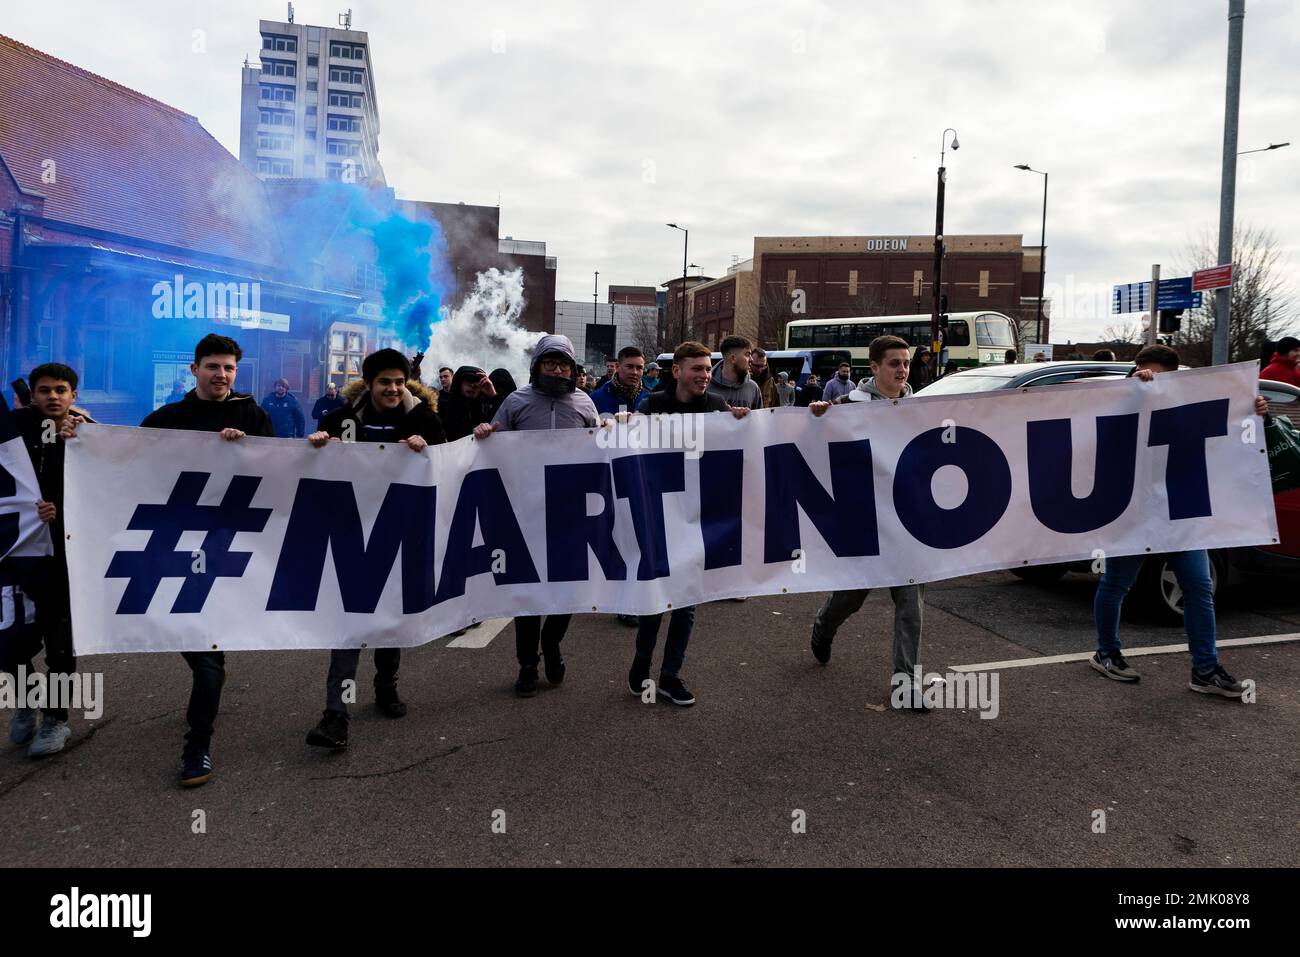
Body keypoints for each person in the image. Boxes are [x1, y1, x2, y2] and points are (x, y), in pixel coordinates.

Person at [1090, 344, 1267, 698]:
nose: (1152, 382)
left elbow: (1226, 431)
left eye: (1160, 377)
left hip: (1181, 510)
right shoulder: (1120, 398)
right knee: (1116, 585)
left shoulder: (1187, 403)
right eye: (1145, 373)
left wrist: (1254, 410)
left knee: (1199, 589)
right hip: (1135, 511)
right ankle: (1106, 651)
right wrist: (1132, 390)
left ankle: (1205, 669)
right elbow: (1092, 425)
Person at [138, 334, 274, 787]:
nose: (221, 375)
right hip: (173, 548)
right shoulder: (165, 420)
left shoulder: (252, 415)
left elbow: (278, 471)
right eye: (213, 366)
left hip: (225, 550)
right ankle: (208, 676)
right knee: (189, 640)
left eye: (229, 368)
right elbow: (122, 464)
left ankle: (197, 745)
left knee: (208, 655)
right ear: (193, 369)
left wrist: (248, 448)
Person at [304, 349, 446, 750]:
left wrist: (428, 450)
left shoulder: (423, 419)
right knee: (348, 626)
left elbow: (450, 467)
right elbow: (314, 466)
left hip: (401, 532)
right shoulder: (341, 419)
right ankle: (336, 715)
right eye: (385, 382)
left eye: (399, 382)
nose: (393, 388)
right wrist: (316, 445)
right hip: (351, 534)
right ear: (369, 384)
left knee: (390, 615)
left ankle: (386, 685)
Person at [805, 336, 929, 710]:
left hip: (908, 522)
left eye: (905, 363)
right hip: (865, 519)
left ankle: (905, 684)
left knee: (911, 604)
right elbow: (810, 439)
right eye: (894, 363)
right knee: (852, 596)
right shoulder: (846, 406)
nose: (902, 369)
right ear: (873, 368)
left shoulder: (921, 407)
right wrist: (816, 416)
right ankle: (824, 626)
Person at [474, 335, 599, 697]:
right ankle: (527, 666)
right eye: (550, 364)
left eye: (563, 365)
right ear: (537, 366)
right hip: (524, 514)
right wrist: (483, 433)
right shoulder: (516, 401)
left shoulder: (584, 403)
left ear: (573, 369)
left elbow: (600, 451)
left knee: (567, 588)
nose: (557, 370)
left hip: (570, 514)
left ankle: (553, 642)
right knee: (527, 594)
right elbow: (494, 445)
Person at [628, 341, 750, 706]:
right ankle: (641, 663)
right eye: (697, 369)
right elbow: (628, 449)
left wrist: (742, 424)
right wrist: (621, 424)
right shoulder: (651, 406)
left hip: (697, 518)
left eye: (707, 369)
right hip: (658, 516)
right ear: (677, 371)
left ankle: (670, 676)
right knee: (656, 599)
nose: (704, 375)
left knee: (687, 602)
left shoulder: (716, 407)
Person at [6, 362, 94, 756]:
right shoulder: (13, 428)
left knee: (60, 645)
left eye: (61, 389)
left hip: (64, 559)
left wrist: (66, 510)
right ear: (33, 395)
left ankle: (56, 719)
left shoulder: (88, 434)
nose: (53, 396)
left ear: (73, 394)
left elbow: (109, 491)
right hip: (17, 557)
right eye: (45, 390)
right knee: (11, 642)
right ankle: (25, 702)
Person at [439, 366, 502, 442]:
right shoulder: (444, 407)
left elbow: (506, 416)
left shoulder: (486, 408)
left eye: (477, 381)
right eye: (469, 380)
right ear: (459, 384)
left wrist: (494, 396)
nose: (473, 385)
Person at [590, 346, 649, 417]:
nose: (634, 372)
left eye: (639, 368)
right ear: (617, 367)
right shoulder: (596, 399)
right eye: (629, 367)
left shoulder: (648, 399)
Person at [708, 335, 763, 410]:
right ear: (733, 358)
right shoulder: (706, 386)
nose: (751, 360)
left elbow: (758, 420)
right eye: (747, 354)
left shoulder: (753, 388)